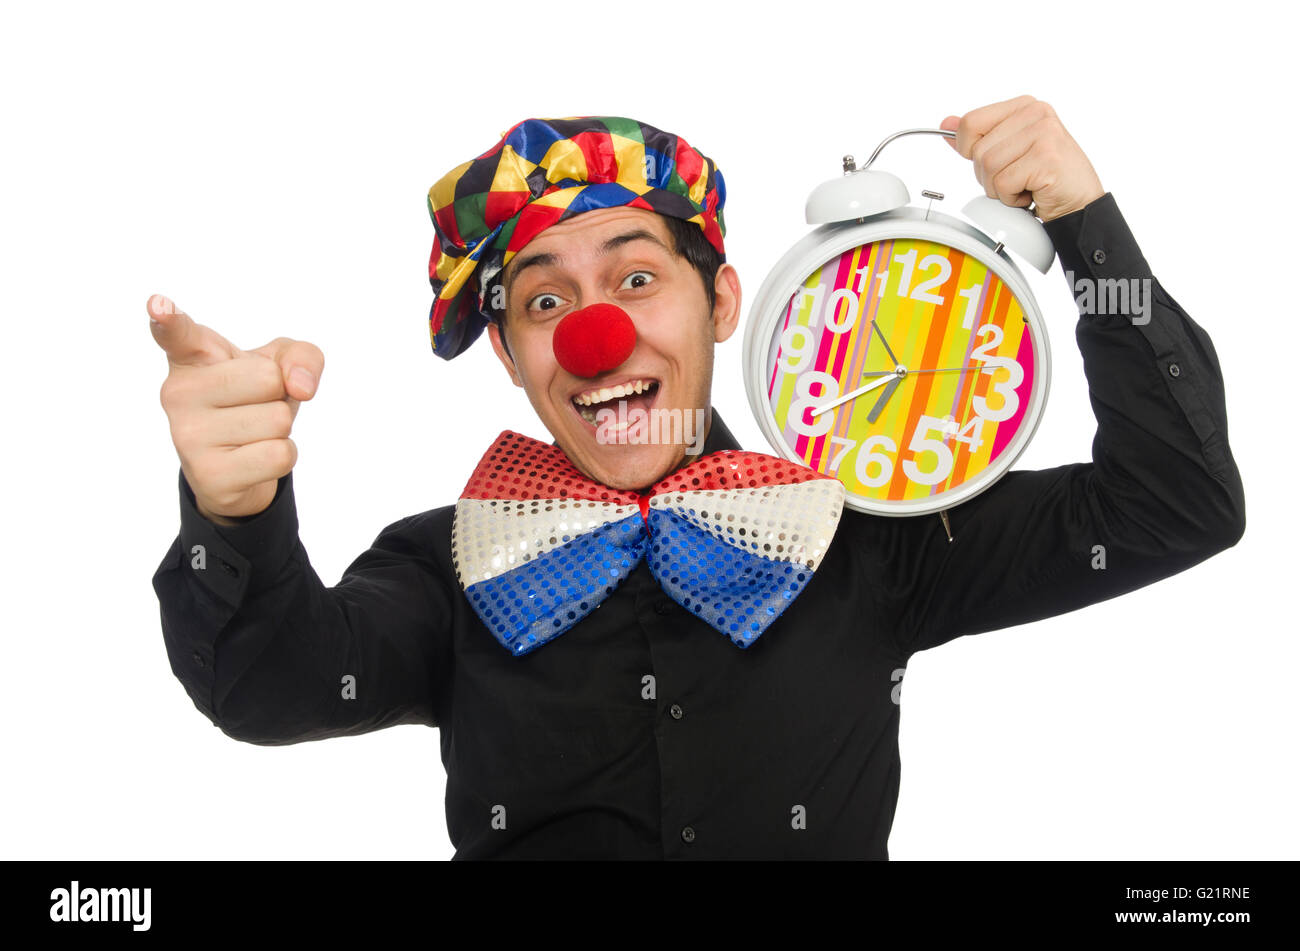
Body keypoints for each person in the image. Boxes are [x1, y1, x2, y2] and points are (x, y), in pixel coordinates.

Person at [150, 97, 1246, 859]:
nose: (591, 335)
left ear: (720, 303)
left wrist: (1085, 230)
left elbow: (1174, 502)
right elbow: (271, 687)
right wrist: (234, 516)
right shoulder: (448, 565)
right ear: (510, 354)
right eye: (543, 302)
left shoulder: (869, 529)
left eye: (635, 276)